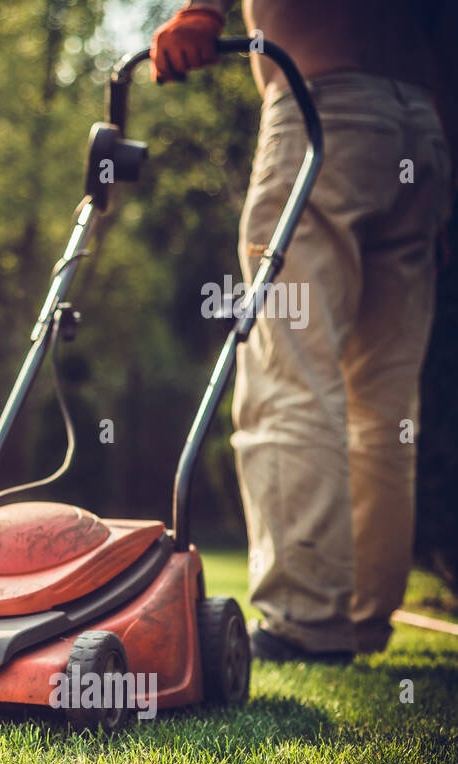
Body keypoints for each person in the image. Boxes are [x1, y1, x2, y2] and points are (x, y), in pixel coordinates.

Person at [150, 1, 454, 660]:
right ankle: (364, 617)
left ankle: (305, 620)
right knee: (384, 406)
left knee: (289, 374)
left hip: (324, 107)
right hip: (421, 131)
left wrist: (201, 10)